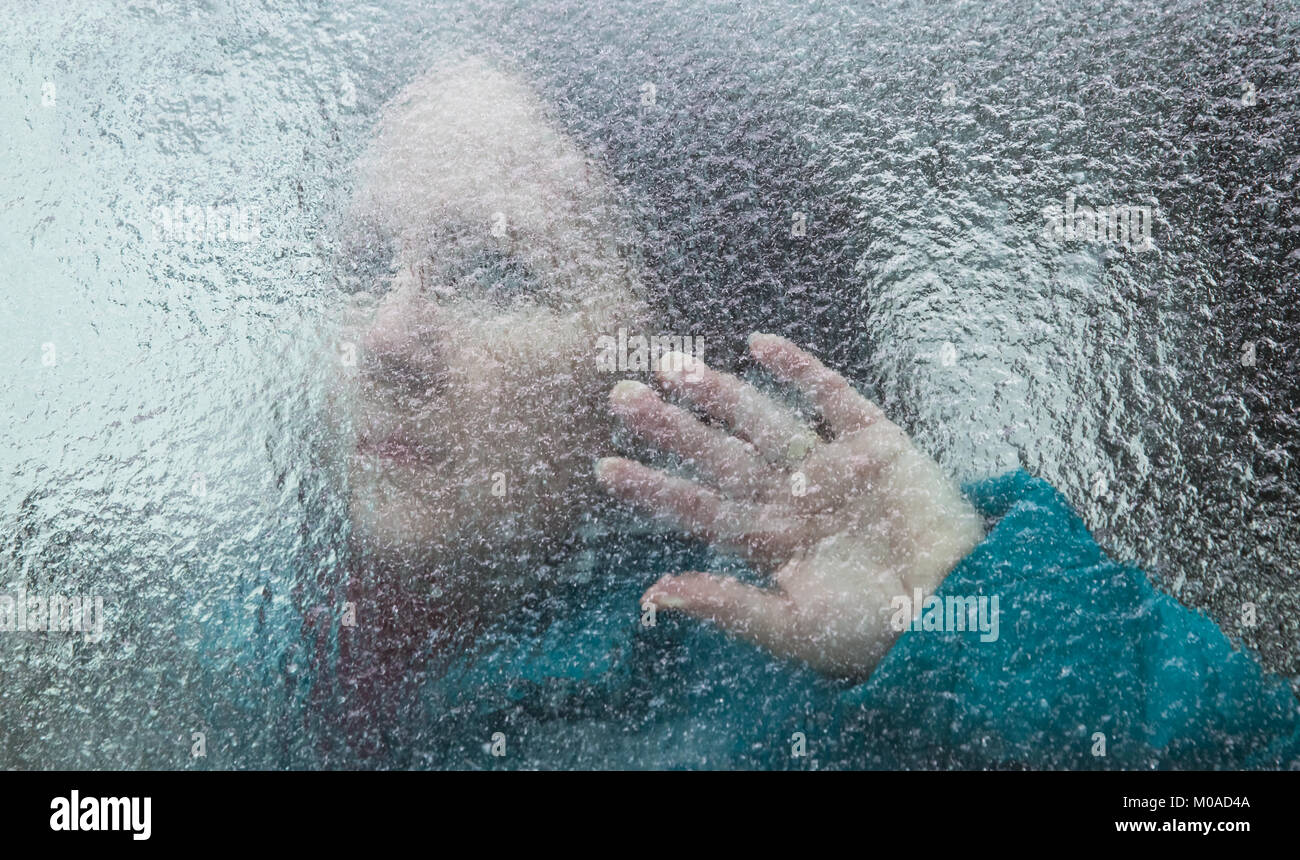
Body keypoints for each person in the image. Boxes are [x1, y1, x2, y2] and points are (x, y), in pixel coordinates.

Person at [328, 58, 1300, 769]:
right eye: (367, 264)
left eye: (496, 272)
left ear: (689, 354)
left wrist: (988, 642)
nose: (383, 337)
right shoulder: (245, 632)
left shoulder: (808, 710)